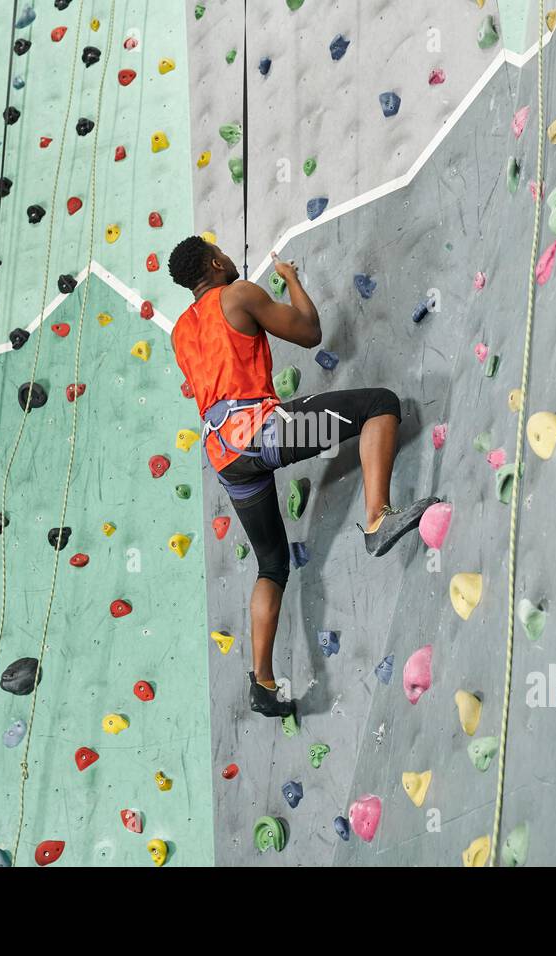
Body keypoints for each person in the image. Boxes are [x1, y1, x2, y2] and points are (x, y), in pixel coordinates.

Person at [166, 235, 438, 718]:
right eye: (223, 253)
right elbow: (310, 332)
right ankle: (377, 519)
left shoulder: (180, 332)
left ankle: (264, 682)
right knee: (380, 405)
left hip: (226, 461)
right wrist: (291, 279)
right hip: (263, 432)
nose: (230, 256)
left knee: (271, 565)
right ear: (214, 262)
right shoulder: (240, 293)